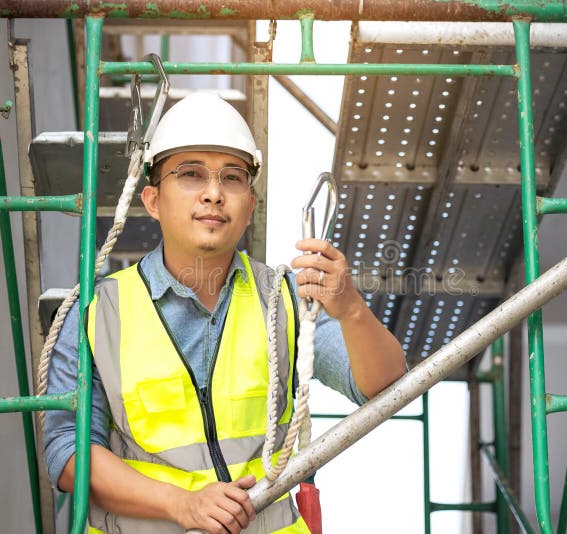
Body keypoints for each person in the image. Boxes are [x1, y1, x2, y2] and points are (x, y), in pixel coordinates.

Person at [43, 92, 407, 534]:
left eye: (232, 178)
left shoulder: (285, 300)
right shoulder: (99, 313)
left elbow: (382, 388)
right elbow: (68, 456)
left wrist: (350, 308)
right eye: (191, 174)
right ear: (153, 200)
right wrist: (183, 506)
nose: (214, 194)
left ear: (249, 206)